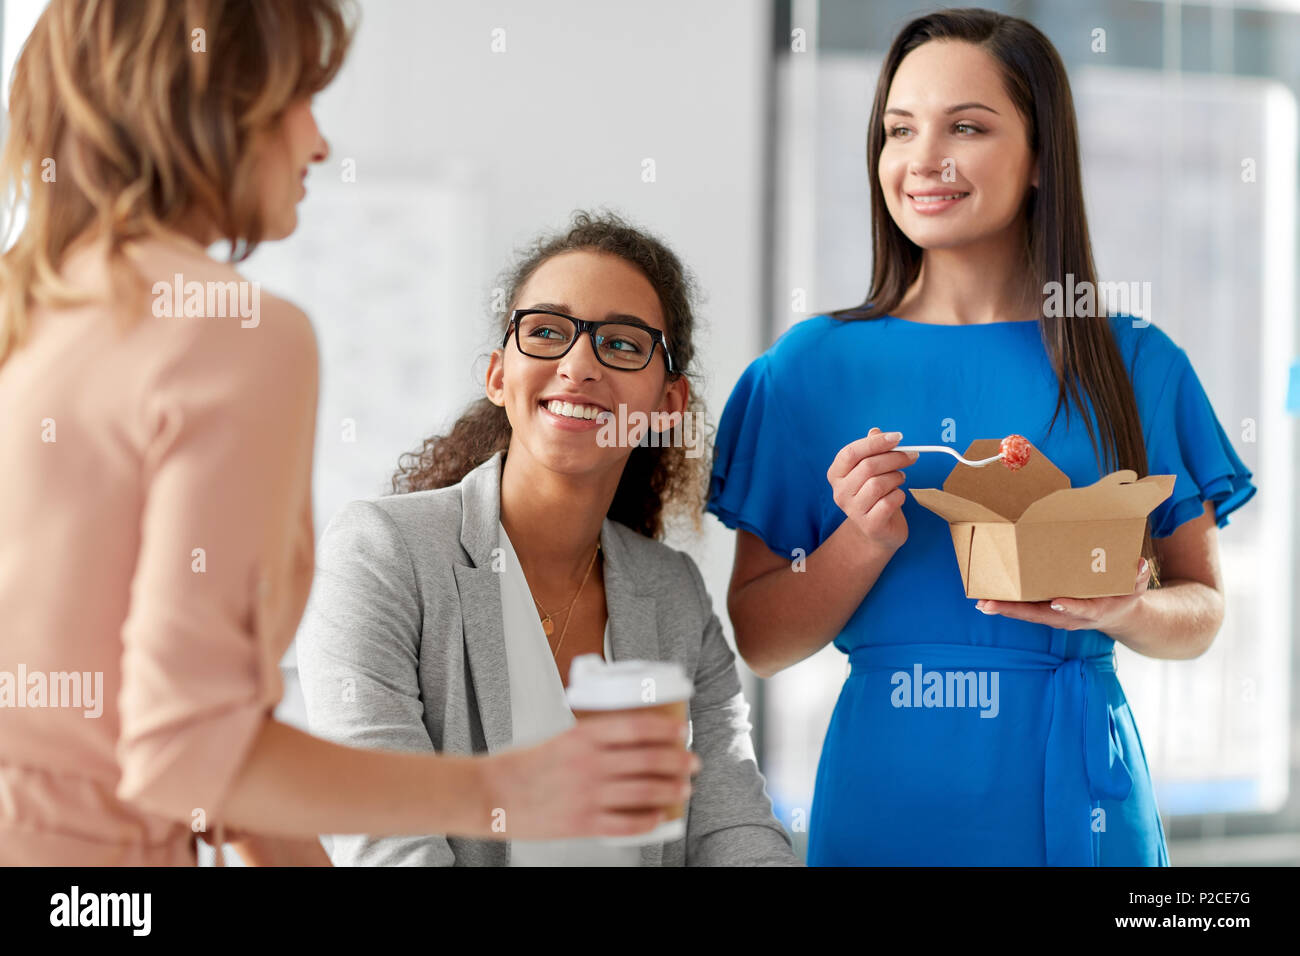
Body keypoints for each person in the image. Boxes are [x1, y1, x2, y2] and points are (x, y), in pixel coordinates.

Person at [0, 0, 693, 867]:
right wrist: (513, 790)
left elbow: (200, 769)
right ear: (215, 106)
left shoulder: (26, 311)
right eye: (299, 98)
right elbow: (187, 752)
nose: (317, 143)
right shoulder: (232, 333)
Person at [708, 8, 1256, 866]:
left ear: (1041, 159)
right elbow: (764, 642)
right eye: (899, 129)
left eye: (966, 126)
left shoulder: (1136, 364)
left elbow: (1202, 609)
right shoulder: (809, 370)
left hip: (1078, 799)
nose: (924, 158)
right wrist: (862, 541)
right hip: (886, 796)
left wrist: (1128, 610)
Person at [297, 211, 799, 866]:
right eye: (546, 333)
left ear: (668, 406)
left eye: (621, 344)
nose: (577, 364)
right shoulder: (382, 553)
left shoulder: (673, 593)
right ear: (499, 375)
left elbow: (733, 829)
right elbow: (387, 832)